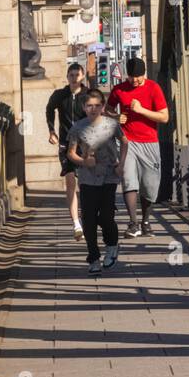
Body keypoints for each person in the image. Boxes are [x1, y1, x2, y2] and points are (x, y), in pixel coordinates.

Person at [106, 57, 169, 238]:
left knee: (150, 185)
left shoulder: (153, 88)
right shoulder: (118, 89)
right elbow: (107, 110)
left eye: (138, 77)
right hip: (126, 141)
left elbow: (164, 117)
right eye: (131, 77)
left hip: (149, 142)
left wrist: (141, 111)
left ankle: (146, 221)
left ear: (144, 74)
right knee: (128, 179)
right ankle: (133, 223)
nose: (134, 80)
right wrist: (116, 117)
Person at [67, 88, 125, 276]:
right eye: (89, 106)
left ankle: (112, 245)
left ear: (102, 106)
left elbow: (124, 142)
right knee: (89, 220)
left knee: (106, 216)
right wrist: (83, 161)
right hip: (88, 177)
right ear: (84, 107)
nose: (93, 109)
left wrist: (121, 165)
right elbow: (71, 153)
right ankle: (93, 258)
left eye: (97, 105)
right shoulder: (77, 127)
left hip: (109, 175)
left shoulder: (111, 125)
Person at [46, 63, 89, 239]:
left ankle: (88, 218)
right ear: (67, 77)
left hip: (85, 145)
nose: (74, 78)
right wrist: (51, 131)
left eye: (77, 75)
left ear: (82, 76)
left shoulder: (89, 96)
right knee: (70, 181)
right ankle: (76, 223)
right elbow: (49, 109)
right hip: (66, 143)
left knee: (86, 184)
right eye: (71, 75)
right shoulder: (60, 95)